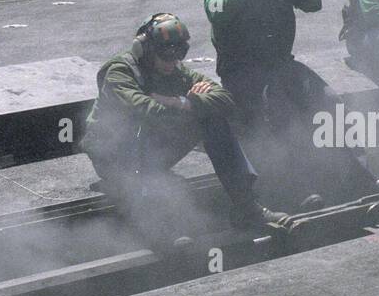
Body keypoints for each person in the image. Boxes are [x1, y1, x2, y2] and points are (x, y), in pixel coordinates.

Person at [82, 12, 288, 232]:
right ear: (145, 49)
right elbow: (147, 110)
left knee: (213, 120)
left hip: (149, 151)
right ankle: (156, 227)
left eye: (178, 53)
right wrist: (194, 107)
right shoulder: (121, 72)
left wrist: (182, 102)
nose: (172, 61)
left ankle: (247, 208)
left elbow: (224, 99)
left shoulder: (176, 71)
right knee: (186, 117)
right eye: (165, 54)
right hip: (116, 158)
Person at [204, 0, 330, 128]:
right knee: (274, 118)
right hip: (242, 71)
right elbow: (216, 12)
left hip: (281, 64)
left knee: (328, 102)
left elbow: (314, 3)